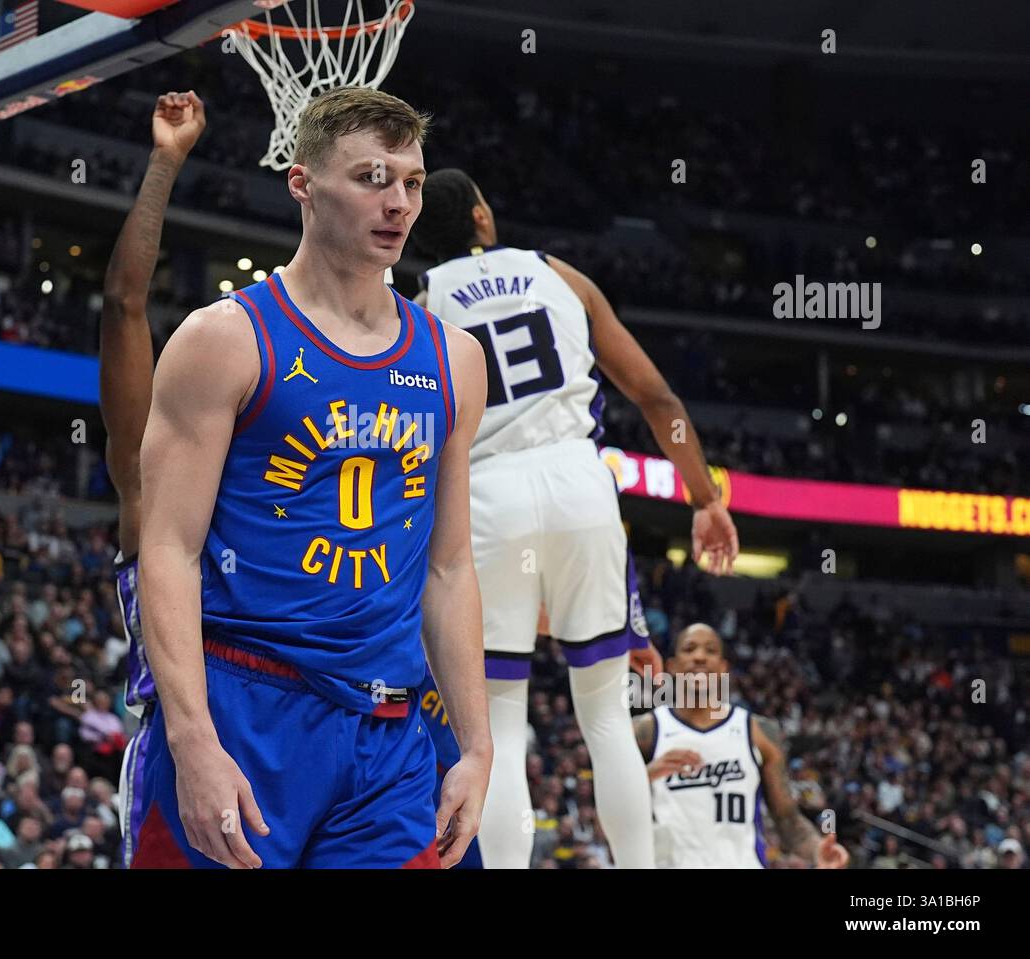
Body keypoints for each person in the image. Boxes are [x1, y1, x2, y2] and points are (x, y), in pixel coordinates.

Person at [135, 86, 491, 869]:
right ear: (302, 184)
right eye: (372, 178)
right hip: (245, 711)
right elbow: (166, 551)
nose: (398, 203)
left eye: (413, 182)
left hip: (390, 738)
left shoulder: (455, 360)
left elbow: (450, 563)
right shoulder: (224, 339)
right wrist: (192, 738)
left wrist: (475, 743)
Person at [410, 168, 739, 868]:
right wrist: (705, 498)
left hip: (485, 497)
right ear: (482, 216)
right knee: (607, 717)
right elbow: (657, 398)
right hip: (578, 484)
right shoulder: (559, 274)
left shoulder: (420, 303)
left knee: (496, 721)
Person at [99, 91, 203, 867]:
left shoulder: (273, 507)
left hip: (289, 746)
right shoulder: (149, 490)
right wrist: (164, 164)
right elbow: (124, 304)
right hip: (176, 755)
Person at [634, 623, 849, 869]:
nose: (700, 657)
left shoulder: (760, 732)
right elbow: (611, 805)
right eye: (689, 648)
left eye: (711, 650)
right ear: (671, 666)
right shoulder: (646, 731)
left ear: (724, 668)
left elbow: (787, 820)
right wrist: (646, 775)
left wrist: (816, 849)